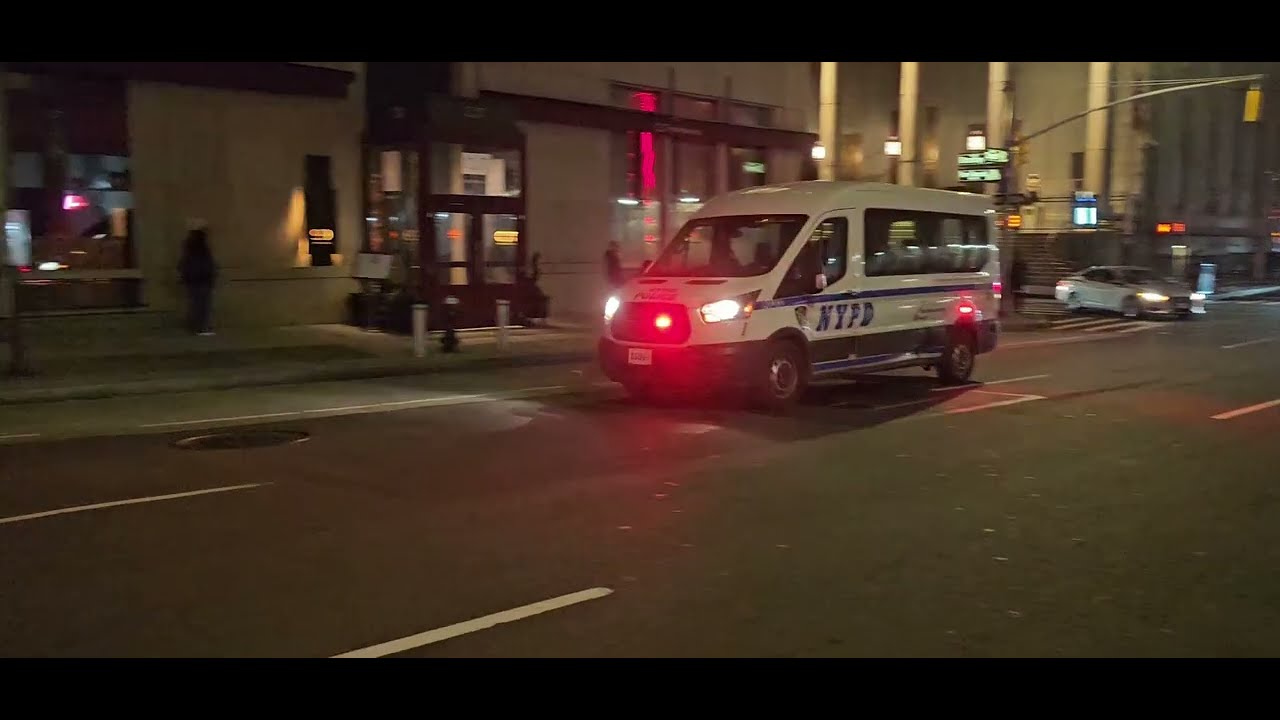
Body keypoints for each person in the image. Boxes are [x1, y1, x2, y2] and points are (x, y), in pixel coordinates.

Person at [178, 225, 218, 336]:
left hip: (195, 280)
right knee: (202, 305)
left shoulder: (189, 248)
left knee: (196, 304)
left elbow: (184, 264)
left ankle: (197, 326)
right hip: (201, 279)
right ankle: (201, 327)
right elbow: (208, 264)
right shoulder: (201, 249)